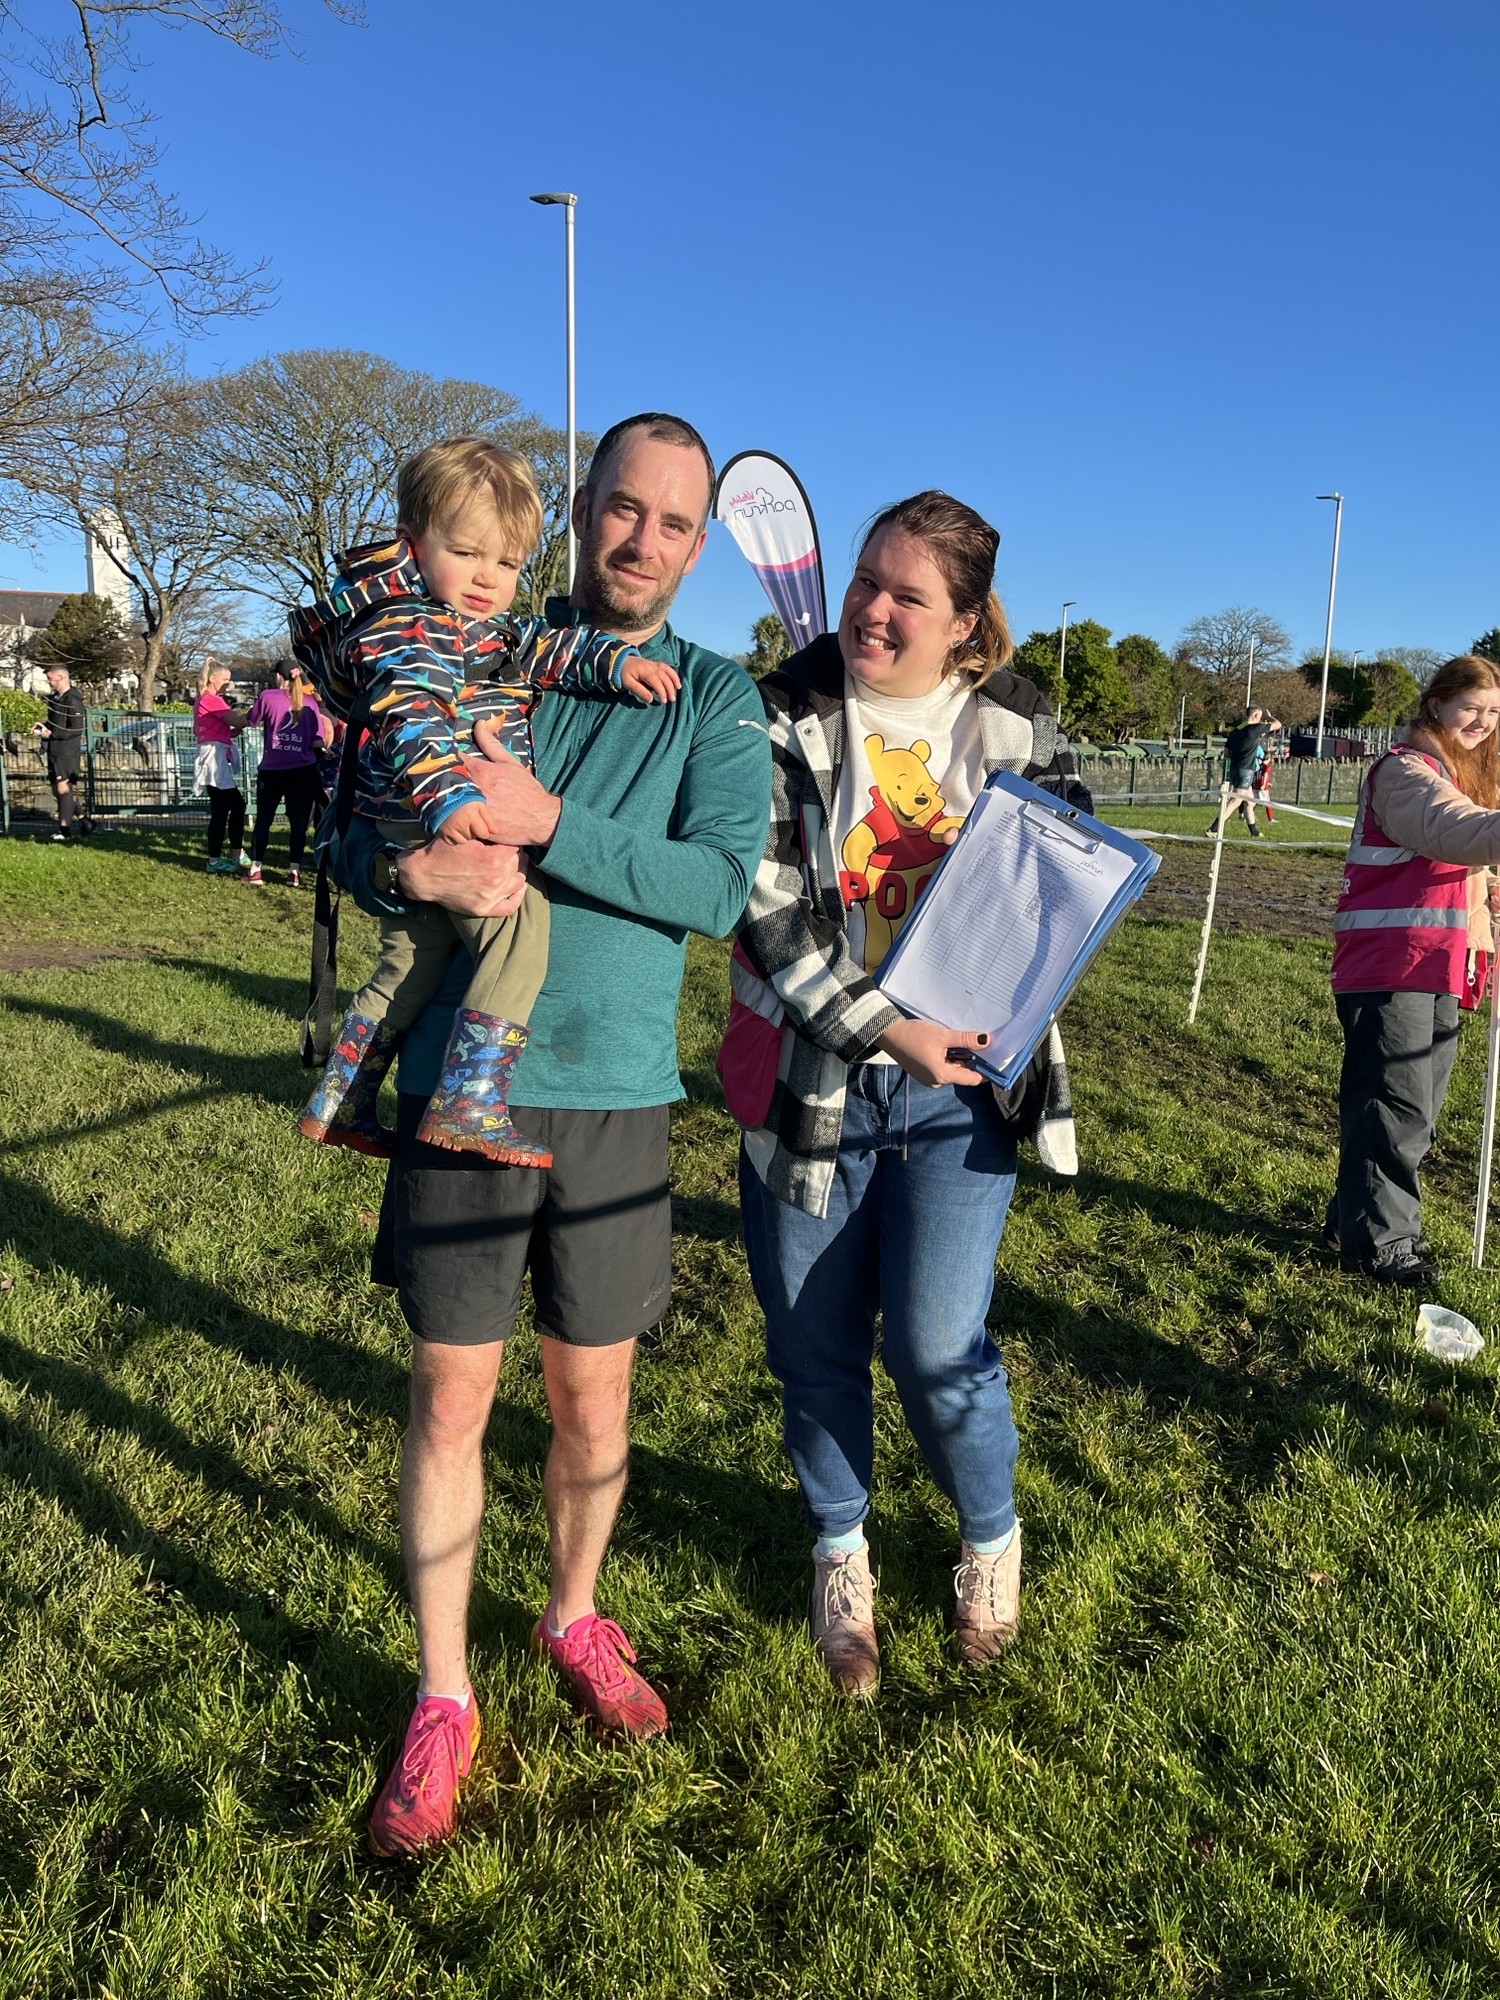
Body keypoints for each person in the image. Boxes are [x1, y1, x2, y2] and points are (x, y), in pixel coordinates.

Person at [338, 414, 770, 1857]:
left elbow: (717, 889)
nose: (643, 540)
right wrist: (404, 864)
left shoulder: (713, 696)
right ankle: (443, 1692)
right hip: (464, 1082)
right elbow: (355, 821)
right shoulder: (476, 643)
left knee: (593, 1402)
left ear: (699, 547)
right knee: (451, 1398)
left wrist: (548, 819)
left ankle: (574, 1613)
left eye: (675, 522)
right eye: (624, 508)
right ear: (581, 509)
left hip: (617, 1096)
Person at [733, 490, 1087, 1699]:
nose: (873, 610)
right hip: (813, 1084)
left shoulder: (1019, 724)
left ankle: (989, 1540)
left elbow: (1065, 891)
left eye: (908, 595)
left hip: (961, 1101)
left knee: (940, 1347)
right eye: (865, 581)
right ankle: (842, 1551)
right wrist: (893, 1026)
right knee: (813, 1343)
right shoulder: (781, 711)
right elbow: (769, 911)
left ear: (966, 622)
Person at [292, 438, 677, 1166]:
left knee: (409, 963)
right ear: (413, 543)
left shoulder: (469, 626)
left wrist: (616, 661)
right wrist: (448, 797)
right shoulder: (409, 627)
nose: (486, 578)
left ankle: (339, 1099)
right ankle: (470, 1100)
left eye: (506, 563)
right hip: (433, 807)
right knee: (518, 928)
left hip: (410, 811)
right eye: (467, 553)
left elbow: (547, 647)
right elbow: (410, 712)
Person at [1327, 655, 1500, 1288]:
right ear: (1436, 705)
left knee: (1413, 1110)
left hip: (1438, 962)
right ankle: (1383, 1245)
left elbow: (1465, 866)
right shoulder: (1405, 772)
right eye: (1471, 707)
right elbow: (1451, 830)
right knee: (1395, 1105)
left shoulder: (1455, 774)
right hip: (1391, 962)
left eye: (1494, 712)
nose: (1482, 722)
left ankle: (1357, 1219)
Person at [233, 659, 330, 886]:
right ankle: (294, 872)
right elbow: (317, 740)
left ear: (279, 676)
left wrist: (235, 727)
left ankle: (256, 870)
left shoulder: (268, 697)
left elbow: (252, 719)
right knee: (298, 823)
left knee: (264, 820)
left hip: (273, 769)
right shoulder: (310, 703)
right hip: (303, 770)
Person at [193, 663, 248, 873]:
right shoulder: (212, 700)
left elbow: (211, 729)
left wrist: (230, 733)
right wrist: (258, 711)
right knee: (232, 807)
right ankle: (225, 857)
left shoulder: (203, 699)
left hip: (211, 756)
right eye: (225, 680)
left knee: (224, 808)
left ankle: (225, 856)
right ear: (212, 679)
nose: (228, 684)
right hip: (214, 760)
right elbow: (237, 720)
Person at [31, 663, 86, 841]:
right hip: (54, 749)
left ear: (61, 677)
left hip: (67, 751)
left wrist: (52, 734)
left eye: (50, 678)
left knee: (64, 790)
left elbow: (76, 729)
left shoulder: (73, 700)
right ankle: (85, 820)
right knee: (58, 791)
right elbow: (55, 723)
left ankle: (64, 830)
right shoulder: (55, 699)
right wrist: (43, 727)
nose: (48, 681)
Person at [1210, 706, 1270, 837]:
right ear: (1256, 716)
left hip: (1235, 768)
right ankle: (1214, 829)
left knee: (1250, 802)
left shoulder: (1235, 731)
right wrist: (1269, 717)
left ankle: (1254, 831)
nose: (1261, 720)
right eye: (1260, 717)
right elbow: (1278, 724)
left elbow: (1227, 752)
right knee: (1236, 801)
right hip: (1246, 770)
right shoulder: (1253, 729)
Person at [1250, 715, 1283, 825]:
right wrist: (1264, 784)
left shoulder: (1258, 765)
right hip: (1262, 787)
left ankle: (1247, 815)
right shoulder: (1267, 767)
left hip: (1255, 785)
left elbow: (1256, 774)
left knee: (1252, 802)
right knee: (1268, 803)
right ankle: (1271, 819)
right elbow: (1265, 775)